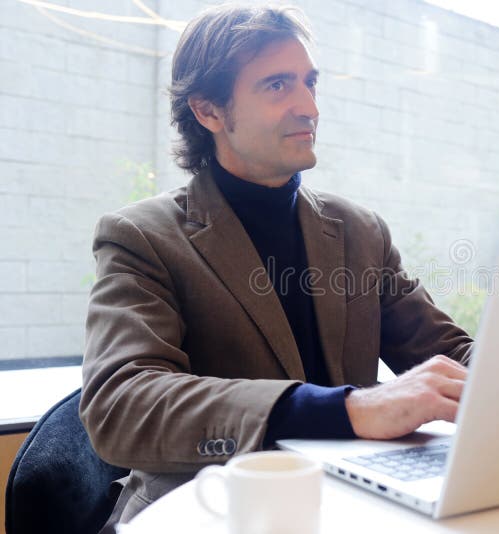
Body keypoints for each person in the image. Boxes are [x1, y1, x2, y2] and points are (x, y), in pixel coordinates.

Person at [79, 3, 473, 525]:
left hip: (347, 505)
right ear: (208, 111)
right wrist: (349, 410)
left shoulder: (360, 230)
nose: (309, 105)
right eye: (277, 85)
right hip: (207, 510)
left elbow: (448, 353)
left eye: (310, 82)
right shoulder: (141, 237)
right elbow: (121, 406)